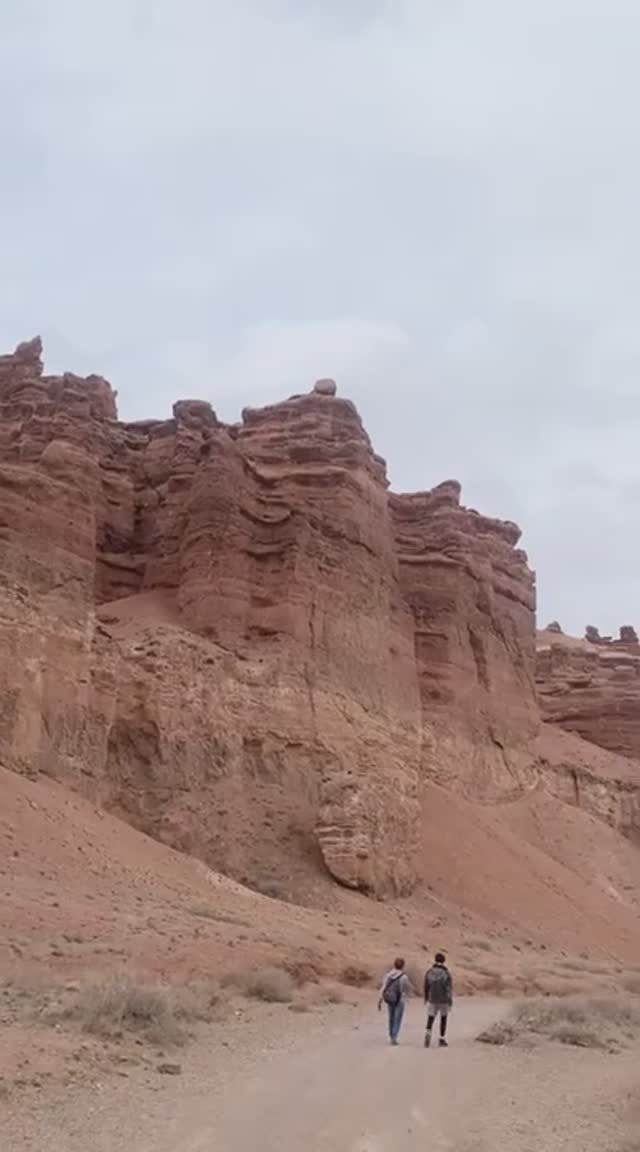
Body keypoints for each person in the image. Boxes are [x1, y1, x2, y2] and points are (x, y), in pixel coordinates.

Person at [423, 951, 453, 1048]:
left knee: (430, 1017)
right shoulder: (446, 973)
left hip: (432, 998)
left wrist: (426, 997)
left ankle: (428, 1035)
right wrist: (449, 999)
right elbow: (448, 988)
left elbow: (426, 985)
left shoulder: (429, 972)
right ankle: (441, 1039)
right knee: (443, 1018)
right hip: (443, 999)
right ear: (444, 961)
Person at [378, 957, 410, 1045]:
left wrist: (380, 999)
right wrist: (407, 998)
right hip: (400, 1000)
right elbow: (407, 989)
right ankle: (394, 1037)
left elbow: (383, 987)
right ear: (403, 966)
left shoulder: (388, 975)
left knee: (391, 1017)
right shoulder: (404, 977)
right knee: (397, 1018)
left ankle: (391, 1035)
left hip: (390, 999)